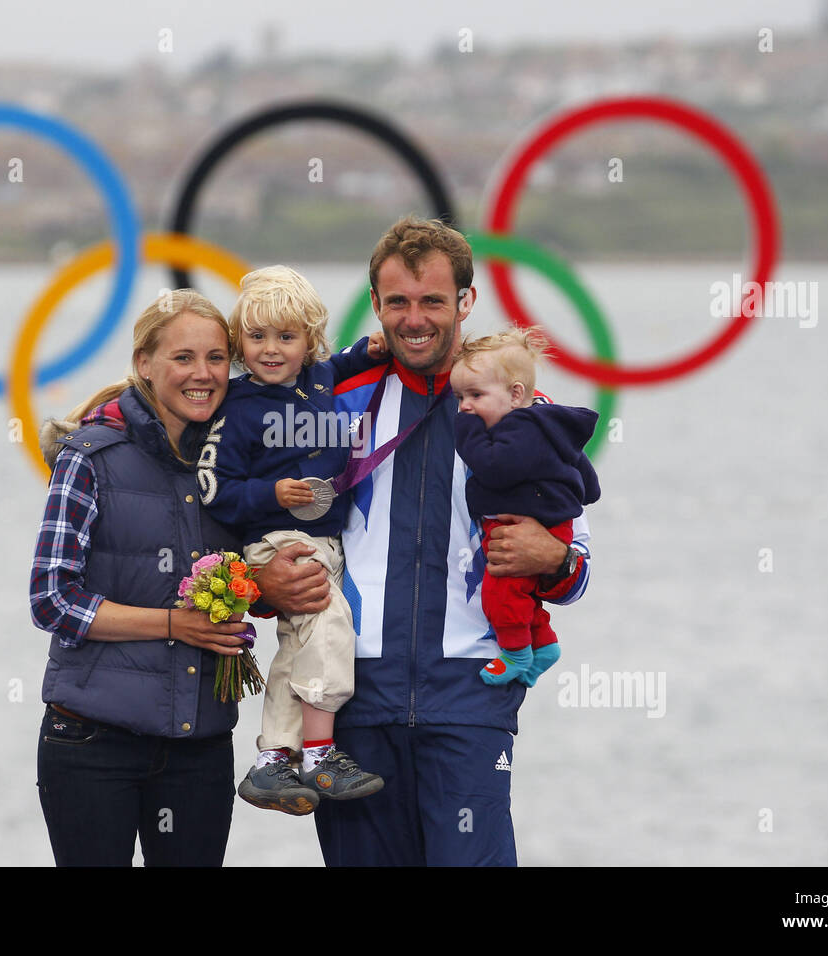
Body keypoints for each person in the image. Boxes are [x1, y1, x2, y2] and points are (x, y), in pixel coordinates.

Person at [253, 217, 593, 866]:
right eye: (398, 302)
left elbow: (577, 572)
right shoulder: (335, 405)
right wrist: (266, 590)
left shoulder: (526, 414)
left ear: (466, 301)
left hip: (470, 700)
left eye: (433, 300)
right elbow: (268, 528)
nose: (415, 319)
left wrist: (553, 560)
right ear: (375, 304)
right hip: (351, 703)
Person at [29, 289, 251, 867]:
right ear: (144, 365)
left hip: (200, 748)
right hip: (91, 743)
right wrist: (177, 625)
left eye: (217, 357)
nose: (203, 373)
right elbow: (52, 600)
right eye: (183, 358)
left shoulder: (238, 462)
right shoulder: (90, 457)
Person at [196, 266, 388, 815]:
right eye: (256, 337)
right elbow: (215, 490)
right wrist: (270, 493)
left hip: (325, 536)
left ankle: (273, 759)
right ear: (239, 342)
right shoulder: (236, 409)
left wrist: (372, 348)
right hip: (279, 540)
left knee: (298, 646)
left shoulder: (322, 377)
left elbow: (344, 362)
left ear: (310, 341)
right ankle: (321, 753)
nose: (272, 350)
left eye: (287, 337)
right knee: (328, 625)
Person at [450, 329, 600, 689]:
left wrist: (466, 431)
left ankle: (517, 654)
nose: (464, 407)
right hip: (554, 521)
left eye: (475, 396)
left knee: (501, 594)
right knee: (522, 594)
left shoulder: (515, 430)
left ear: (515, 394)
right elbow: (585, 475)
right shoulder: (549, 424)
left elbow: (492, 464)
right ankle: (544, 644)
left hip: (540, 530)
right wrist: (577, 491)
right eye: (459, 398)